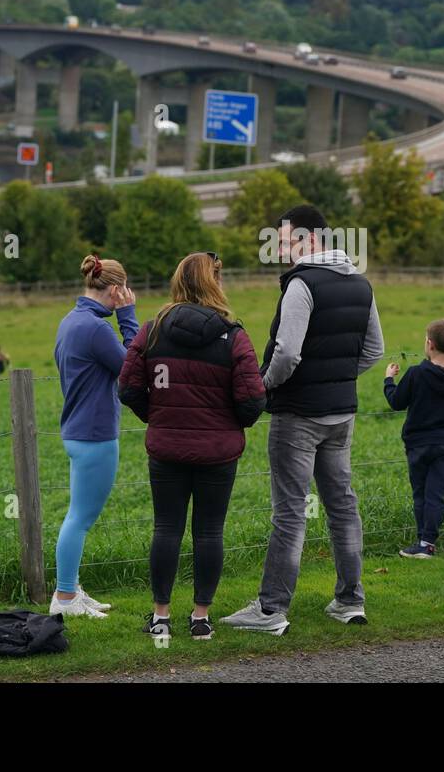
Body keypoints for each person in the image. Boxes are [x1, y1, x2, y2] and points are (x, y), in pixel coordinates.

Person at [222, 204, 384, 635]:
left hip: (297, 415)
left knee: (290, 512)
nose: (280, 248)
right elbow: (373, 350)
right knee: (342, 506)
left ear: (309, 239)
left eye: (286, 239)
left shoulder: (301, 285)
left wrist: (263, 388)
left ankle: (271, 610)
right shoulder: (360, 284)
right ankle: (350, 600)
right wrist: (337, 379)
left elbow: (287, 353)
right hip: (341, 414)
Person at [118, 252, 266, 640]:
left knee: (166, 528)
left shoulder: (151, 331)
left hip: (166, 448)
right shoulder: (233, 336)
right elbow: (253, 401)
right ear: (215, 283)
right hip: (218, 451)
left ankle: (161, 615)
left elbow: (128, 388)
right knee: (209, 531)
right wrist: (227, 423)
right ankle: (201, 617)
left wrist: (158, 416)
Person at [51, 254, 138, 618]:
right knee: (80, 518)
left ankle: (69, 590)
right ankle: (66, 598)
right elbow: (133, 368)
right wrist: (129, 317)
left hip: (77, 429)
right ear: (116, 290)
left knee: (77, 516)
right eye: (126, 291)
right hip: (95, 435)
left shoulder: (70, 321)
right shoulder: (97, 328)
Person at [383, 318, 444, 559]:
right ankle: (428, 542)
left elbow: (397, 402)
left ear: (429, 344)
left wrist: (389, 379)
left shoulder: (417, 373)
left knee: (421, 493)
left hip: (418, 442)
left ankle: (423, 542)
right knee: (437, 493)